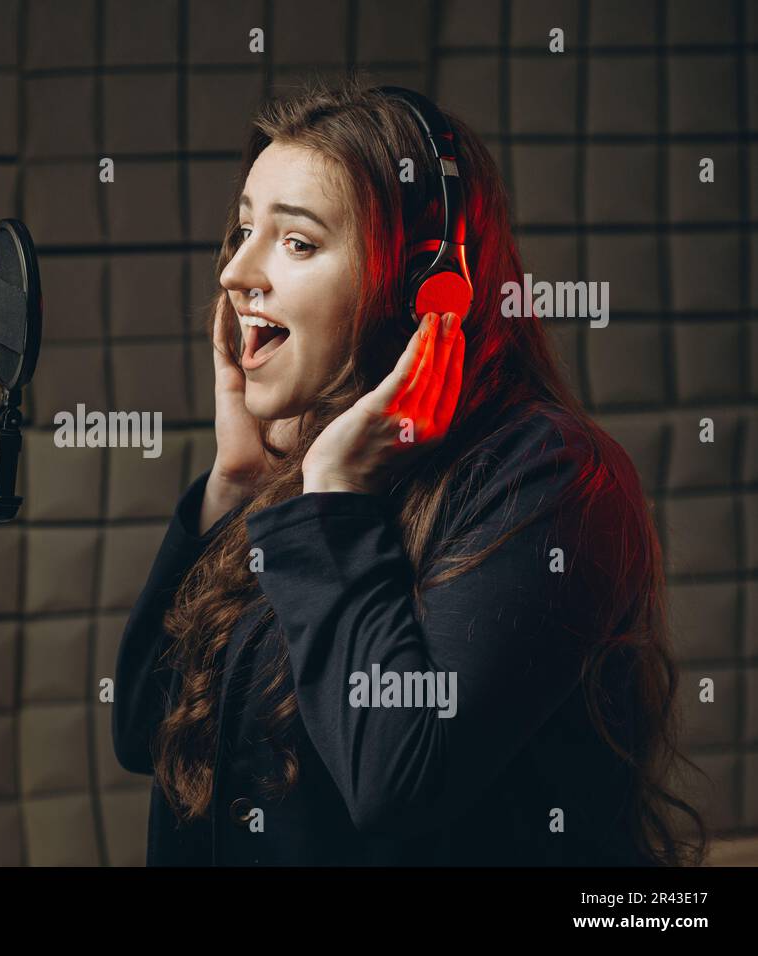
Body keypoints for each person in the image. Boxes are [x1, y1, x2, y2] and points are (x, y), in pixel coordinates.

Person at [111, 76, 708, 866]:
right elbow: (141, 732)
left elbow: (397, 780)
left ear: (428, 285)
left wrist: (333, 506)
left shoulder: (550, 479)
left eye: (296, 242)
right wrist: (237, 485)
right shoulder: (291, 482)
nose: (236, 273)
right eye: (244, 230)